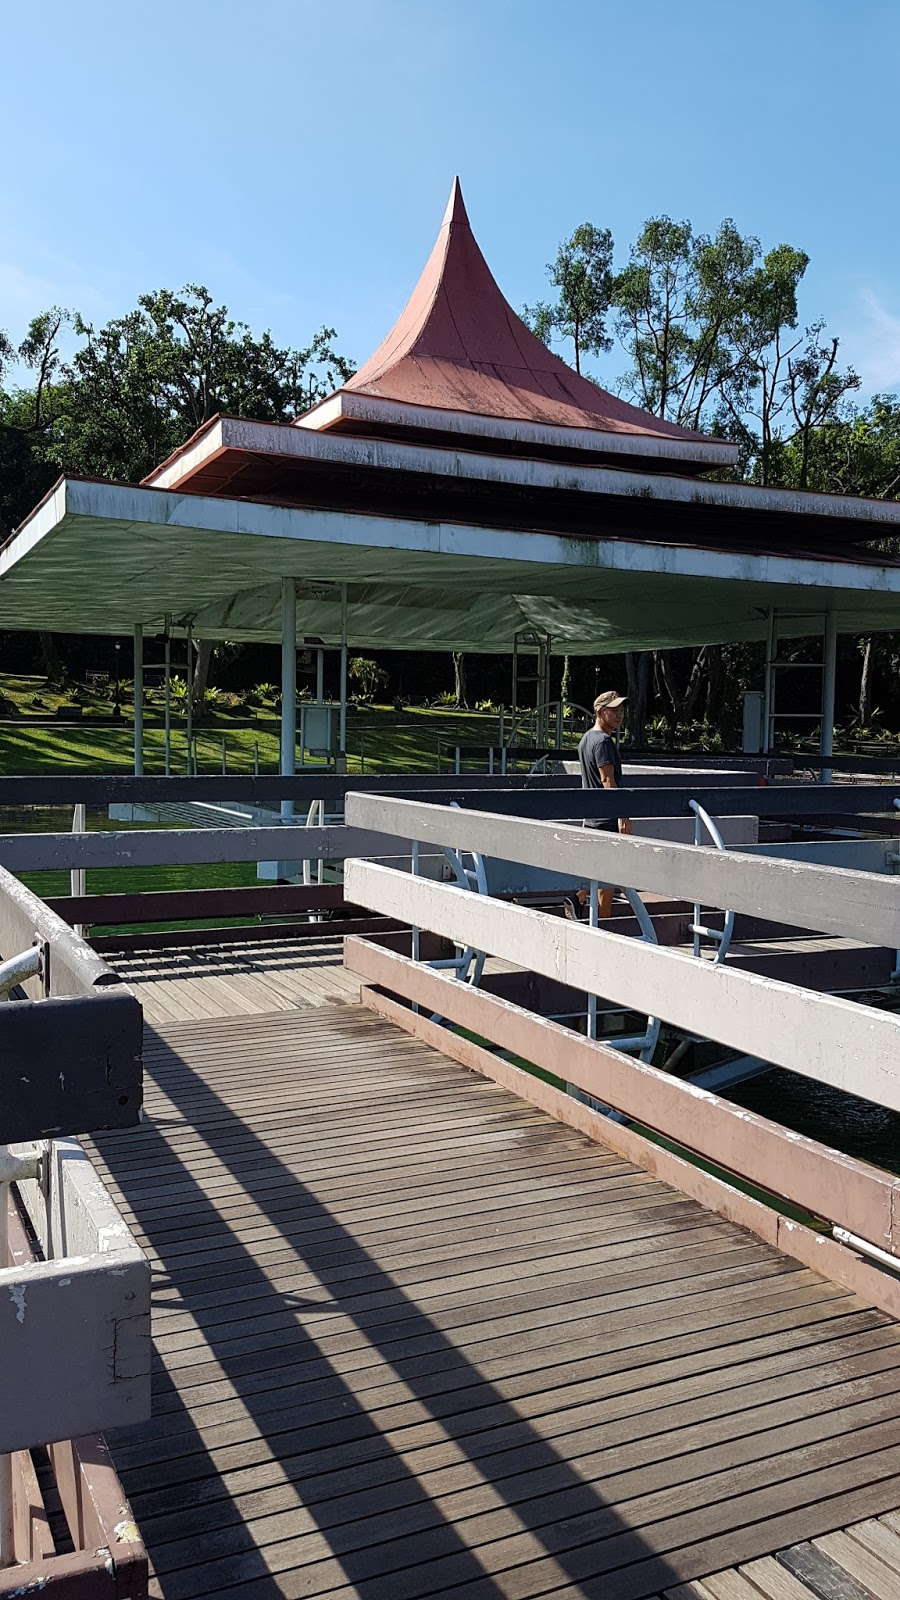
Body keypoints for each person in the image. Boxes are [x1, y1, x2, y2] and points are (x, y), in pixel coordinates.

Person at [577, 690, 632, 918]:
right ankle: (603, 927)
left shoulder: (586, 739)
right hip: (606, 820)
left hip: (590, 817)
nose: (619, 715)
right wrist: (623, 816)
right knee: (606, 881)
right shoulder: (603, 742)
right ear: (600, 713)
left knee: (593, 872)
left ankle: (576, 898)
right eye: (614, 710)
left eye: (621, 710)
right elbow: (607, 780)